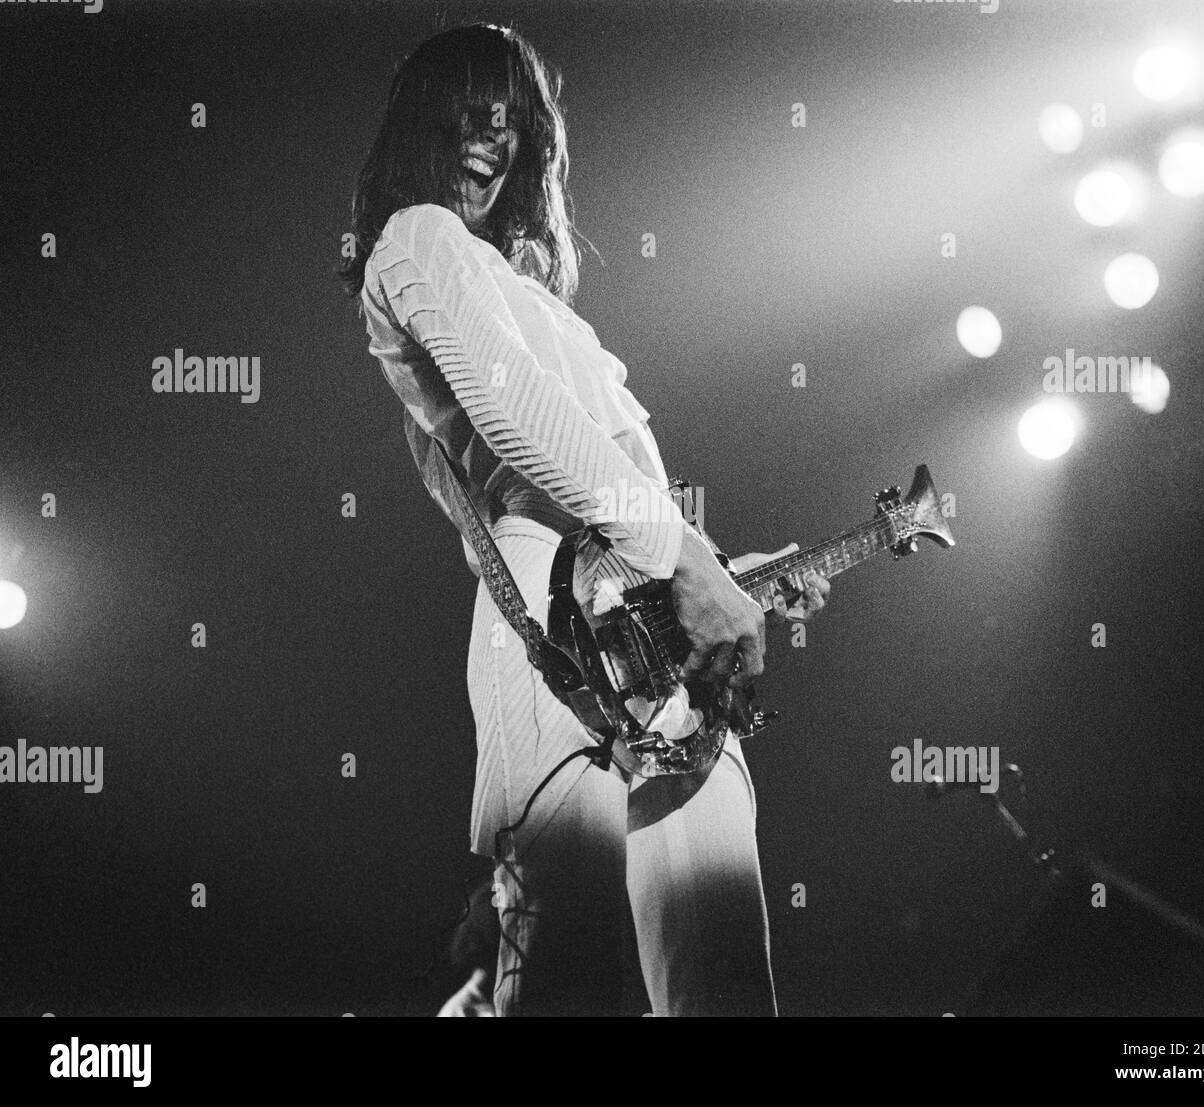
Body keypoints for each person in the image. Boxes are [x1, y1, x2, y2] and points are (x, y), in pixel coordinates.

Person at [342, 23, 829, 1016]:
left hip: (650, 639)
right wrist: (685, 560)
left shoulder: (529, 294)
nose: (494, 134)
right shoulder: (416, 241)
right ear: (421, 122)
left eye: (514, 118)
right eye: (470, 108)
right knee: (564, 973)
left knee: (724, 984)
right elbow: (516, 416)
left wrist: (720, 569)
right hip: (556, 626)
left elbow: (610, 474)